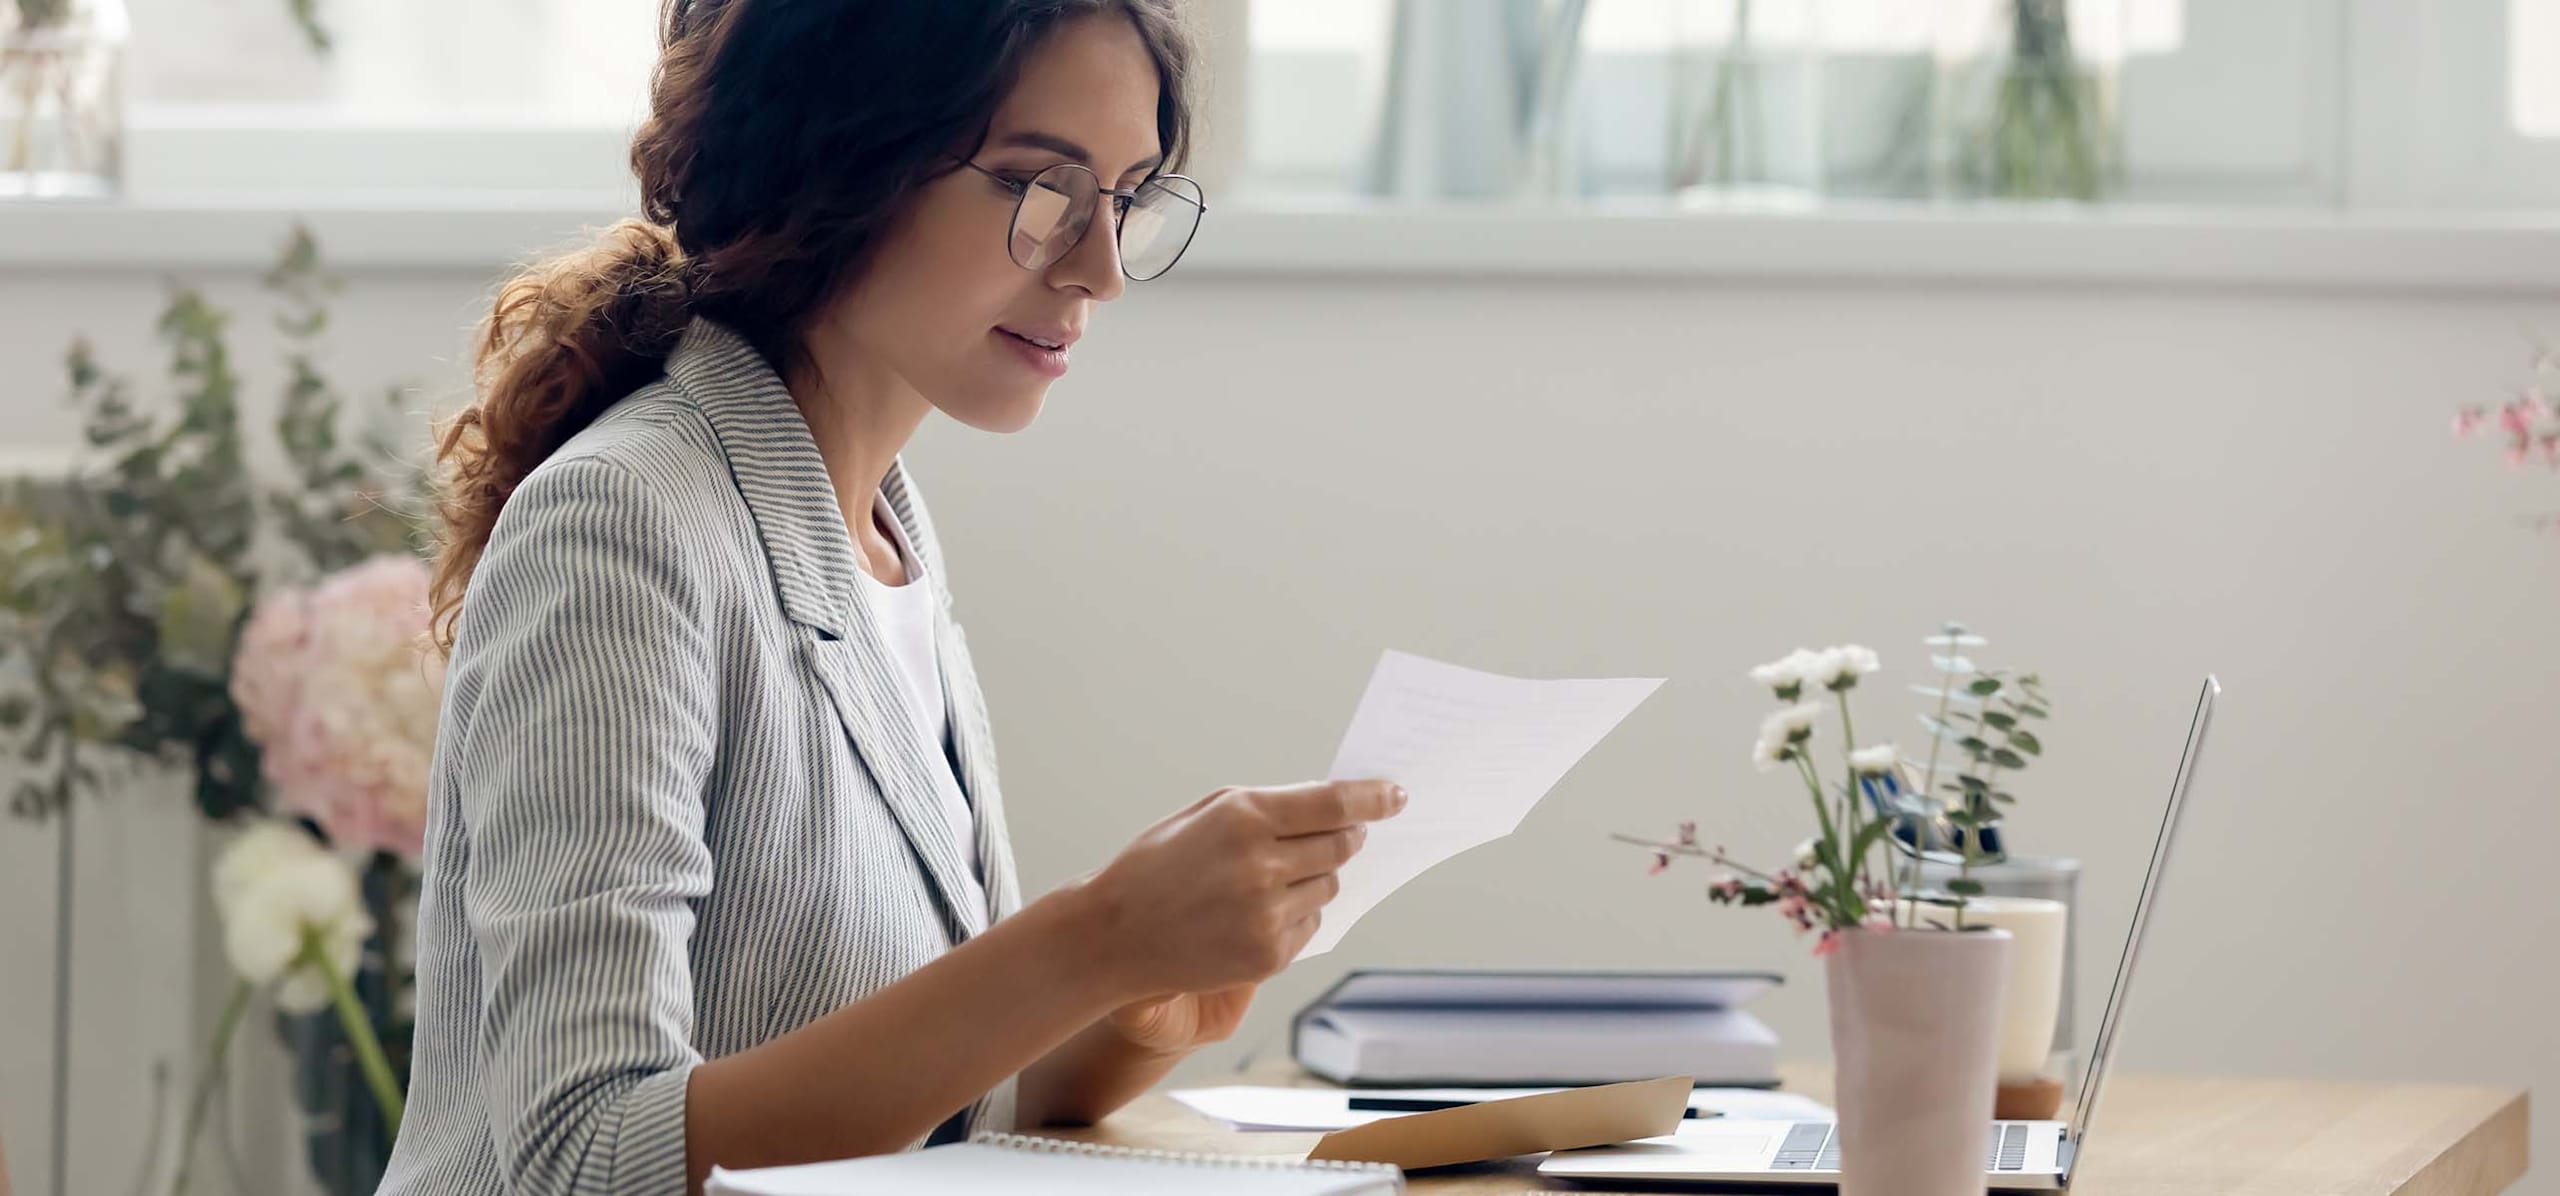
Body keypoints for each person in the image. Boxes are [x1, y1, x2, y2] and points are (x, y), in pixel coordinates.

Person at [378, 3, 1402, 1192]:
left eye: (1125, 197)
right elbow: (591, 1159)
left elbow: (921, 1110)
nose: (1101, 268)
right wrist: (1091, 937)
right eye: (1041, 187)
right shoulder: (623, 522)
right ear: (844, 158)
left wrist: (1136, 998)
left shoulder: (881, 536)